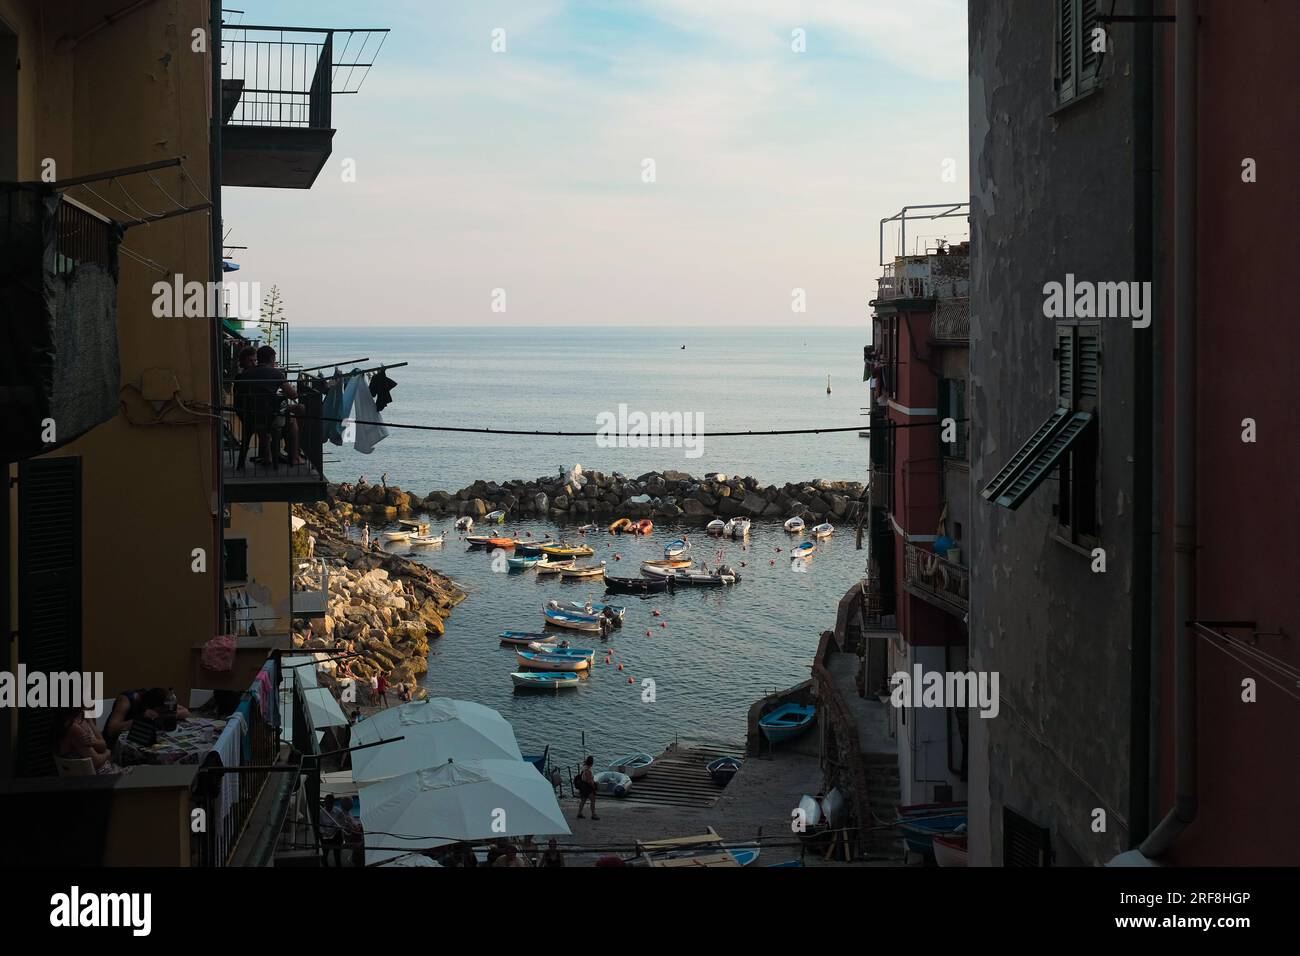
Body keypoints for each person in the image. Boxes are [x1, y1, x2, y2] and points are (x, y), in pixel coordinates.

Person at [235, 345, 305, 466]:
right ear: (272, 358)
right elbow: (293, 395)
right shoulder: (275, 373)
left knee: (273, 413)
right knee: (293, 418)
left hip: (248, 417)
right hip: (269, 418)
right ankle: (295, 457)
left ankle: (268, 456)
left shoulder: (244, 374)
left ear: (258, 358)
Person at [104, 688, 190, 746]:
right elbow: (111, 730)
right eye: (159, 711)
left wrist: (168, 715)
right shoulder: (126, 700)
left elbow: (186, 712)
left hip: (142, 737)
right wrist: (141, 718)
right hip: (116, 745)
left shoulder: (160, 700)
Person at [54, 708, 123, 774]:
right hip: (99, 776)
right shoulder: (73, 727)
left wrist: (94, 742)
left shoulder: (83, 717)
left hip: (105, 769)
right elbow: (96, 762)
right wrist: (108, 753)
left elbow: (103, 745)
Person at [320, 794, 345, 867]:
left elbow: (342, 823)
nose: (327, 804)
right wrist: (324, 833)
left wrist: (336, 830)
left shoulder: (338, 811)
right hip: (325, 836)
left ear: (333, 803)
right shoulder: (321, 812)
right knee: (324, 856)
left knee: (337, 856)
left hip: (336, 836)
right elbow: (319, 825)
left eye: (329, 802)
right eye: (326, 802)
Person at [340, 797, 365, 867]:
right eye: (351, 803)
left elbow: (353, 824)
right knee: (364, 844)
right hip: (352, 837)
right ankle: (357, 861)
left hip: (355, 835)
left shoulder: (348, 813)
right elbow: (349, 829)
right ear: (345, 804)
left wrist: (358, 825)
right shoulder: (343, 815)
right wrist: (358, 827)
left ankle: (355, 859)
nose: (352, 805)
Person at [576, 755, 599, 820]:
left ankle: (579, 813)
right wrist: (593, 786)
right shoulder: (588, 771)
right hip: (587, 787)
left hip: (583, 786)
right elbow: (589, 781)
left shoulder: (584, 767)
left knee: (583, 800)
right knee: (593, 800)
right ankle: (593, 815)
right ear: (592, 763)